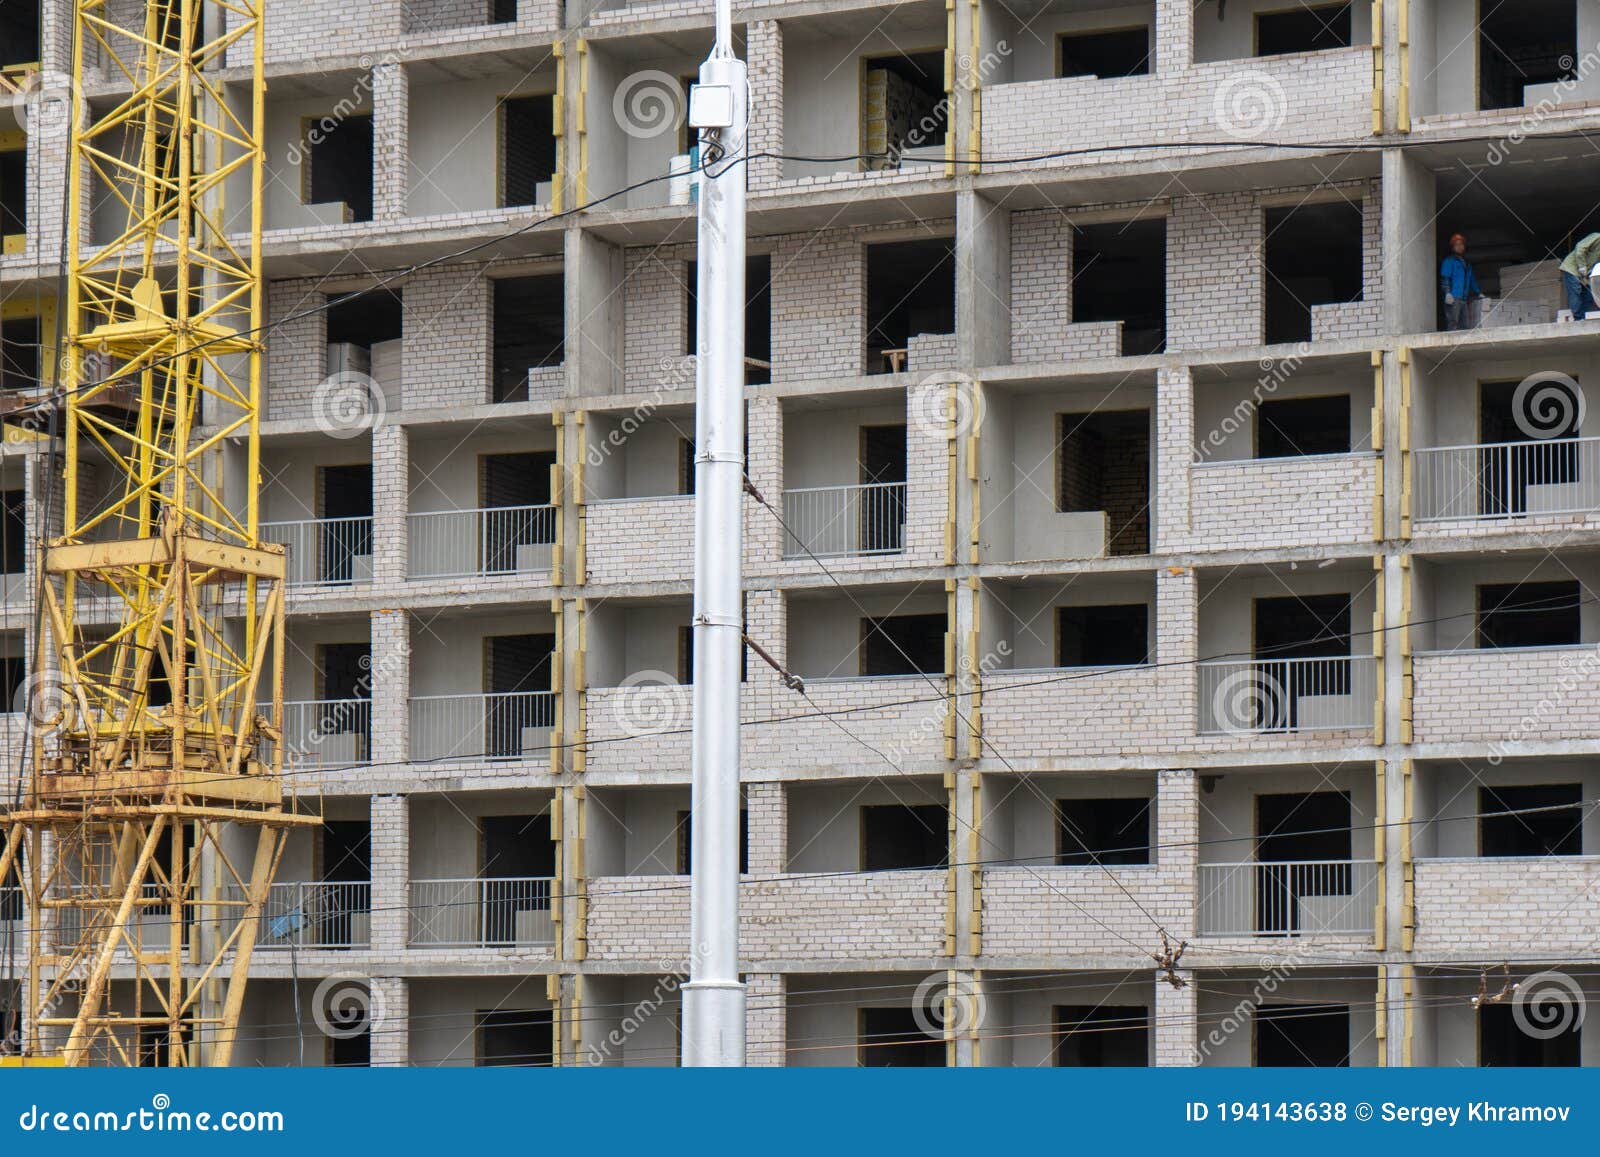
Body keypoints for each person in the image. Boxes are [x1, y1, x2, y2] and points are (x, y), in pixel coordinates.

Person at [1439, 233, 1480, 331]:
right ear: (1453, 247)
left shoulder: (1467, 264)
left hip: (1463, 299)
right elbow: (1445, 278)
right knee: (1453, 323)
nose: (1459, 246)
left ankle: (1461, 346)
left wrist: (1478, 292)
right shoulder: (1449, 261)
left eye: (1461, 244)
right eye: (1456, 244)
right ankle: (1452, 345)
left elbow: (1472, 281)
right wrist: (1447, 293)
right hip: (1453, 298)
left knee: (1465, 325)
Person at [1559, 232, 1600, 320]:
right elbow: (1580, 247)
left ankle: (1584, 317)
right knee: (1575, 291)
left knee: (1589, 295)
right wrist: (1582, 266)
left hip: (1585, 274)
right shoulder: (1596, 237)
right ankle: (1578, 318)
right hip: (1572, 268)